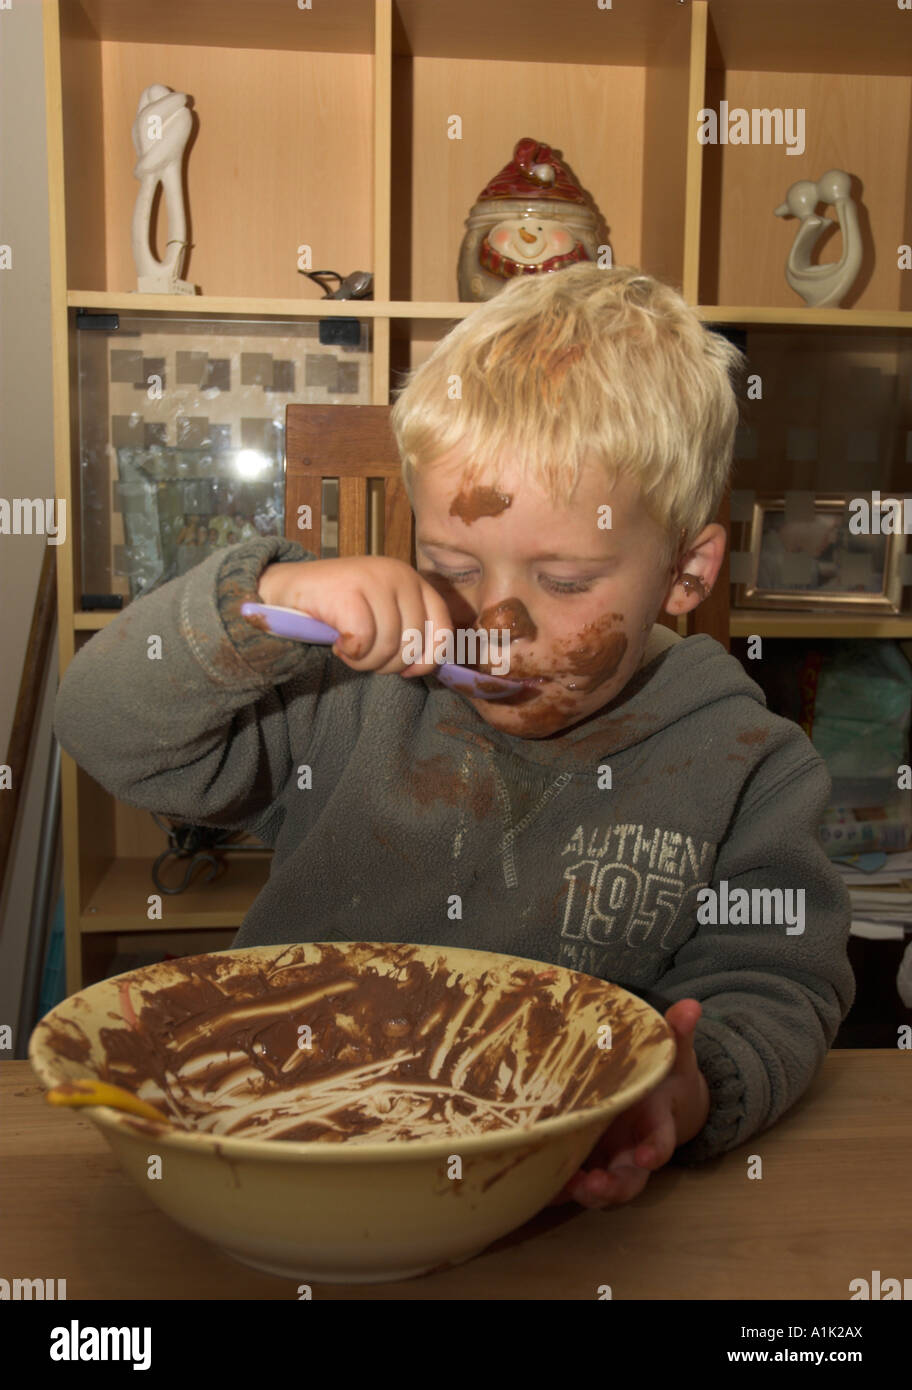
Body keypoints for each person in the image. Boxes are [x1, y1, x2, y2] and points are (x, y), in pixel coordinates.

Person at [53, 264, 854, 1210]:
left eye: (563, 581)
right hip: (285, 1145)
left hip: (542, 1193)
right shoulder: (350, 690)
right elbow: (100, 728)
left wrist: (691, 1089)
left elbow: (777, 988)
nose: (494, 624)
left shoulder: (748, 764)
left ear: (686, 572)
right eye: (450, 564)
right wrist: (255, 608)